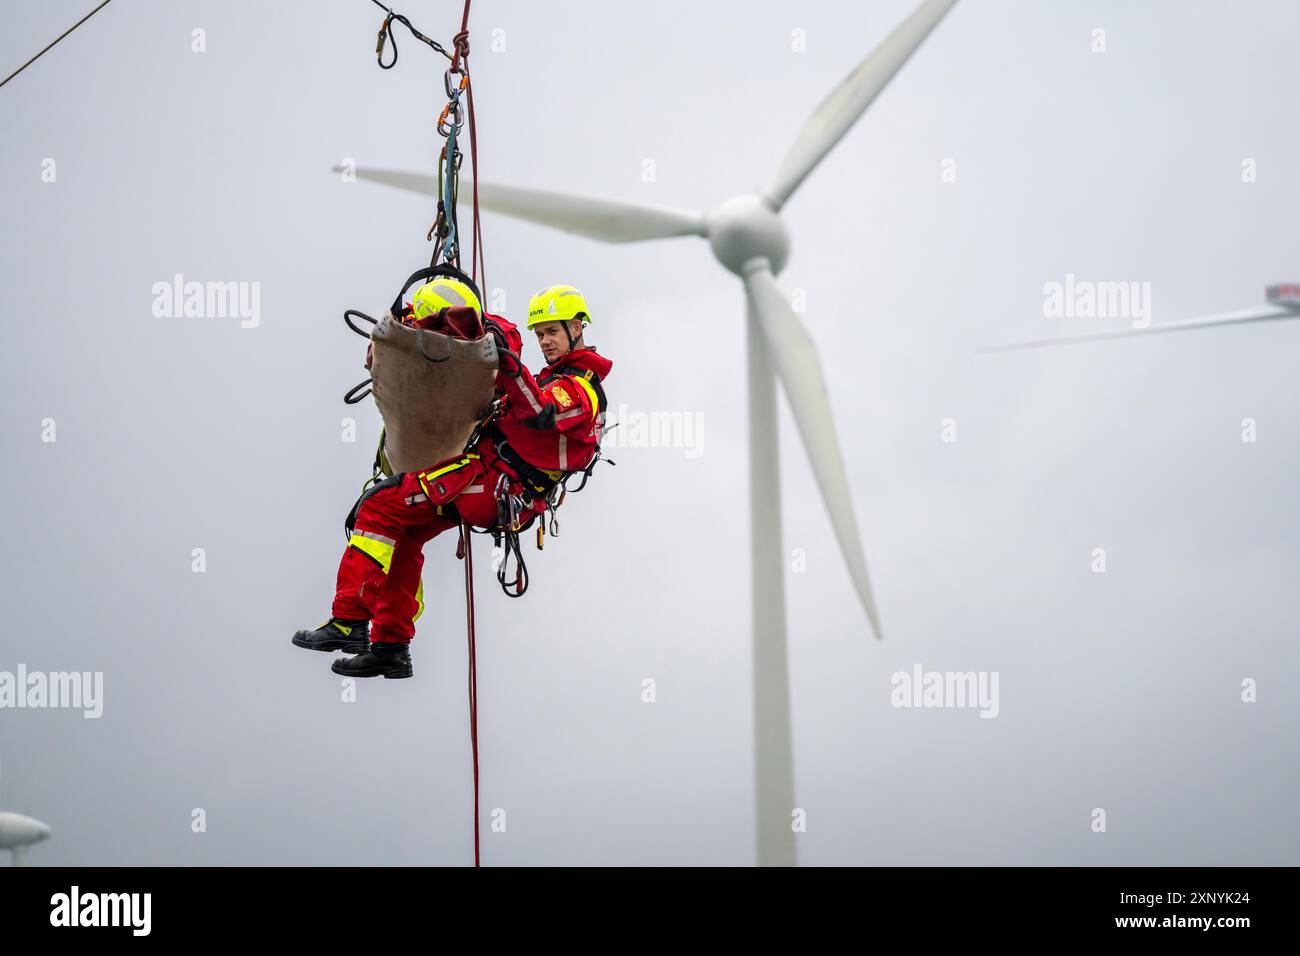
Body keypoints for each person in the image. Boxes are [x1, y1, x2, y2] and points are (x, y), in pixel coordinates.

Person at [292, 283, 613, 679]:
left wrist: (507, 362)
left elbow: (540, 413)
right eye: (540, 333)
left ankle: (347, 621)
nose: (544, 341)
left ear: (577, 328)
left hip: (488, 484)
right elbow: (518, 377)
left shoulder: (578, 390)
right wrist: (481, 327)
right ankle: (391, 647)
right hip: (491, 486)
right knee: (403, 531)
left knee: (379, 506)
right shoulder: (553, 379)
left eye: (552, 331)